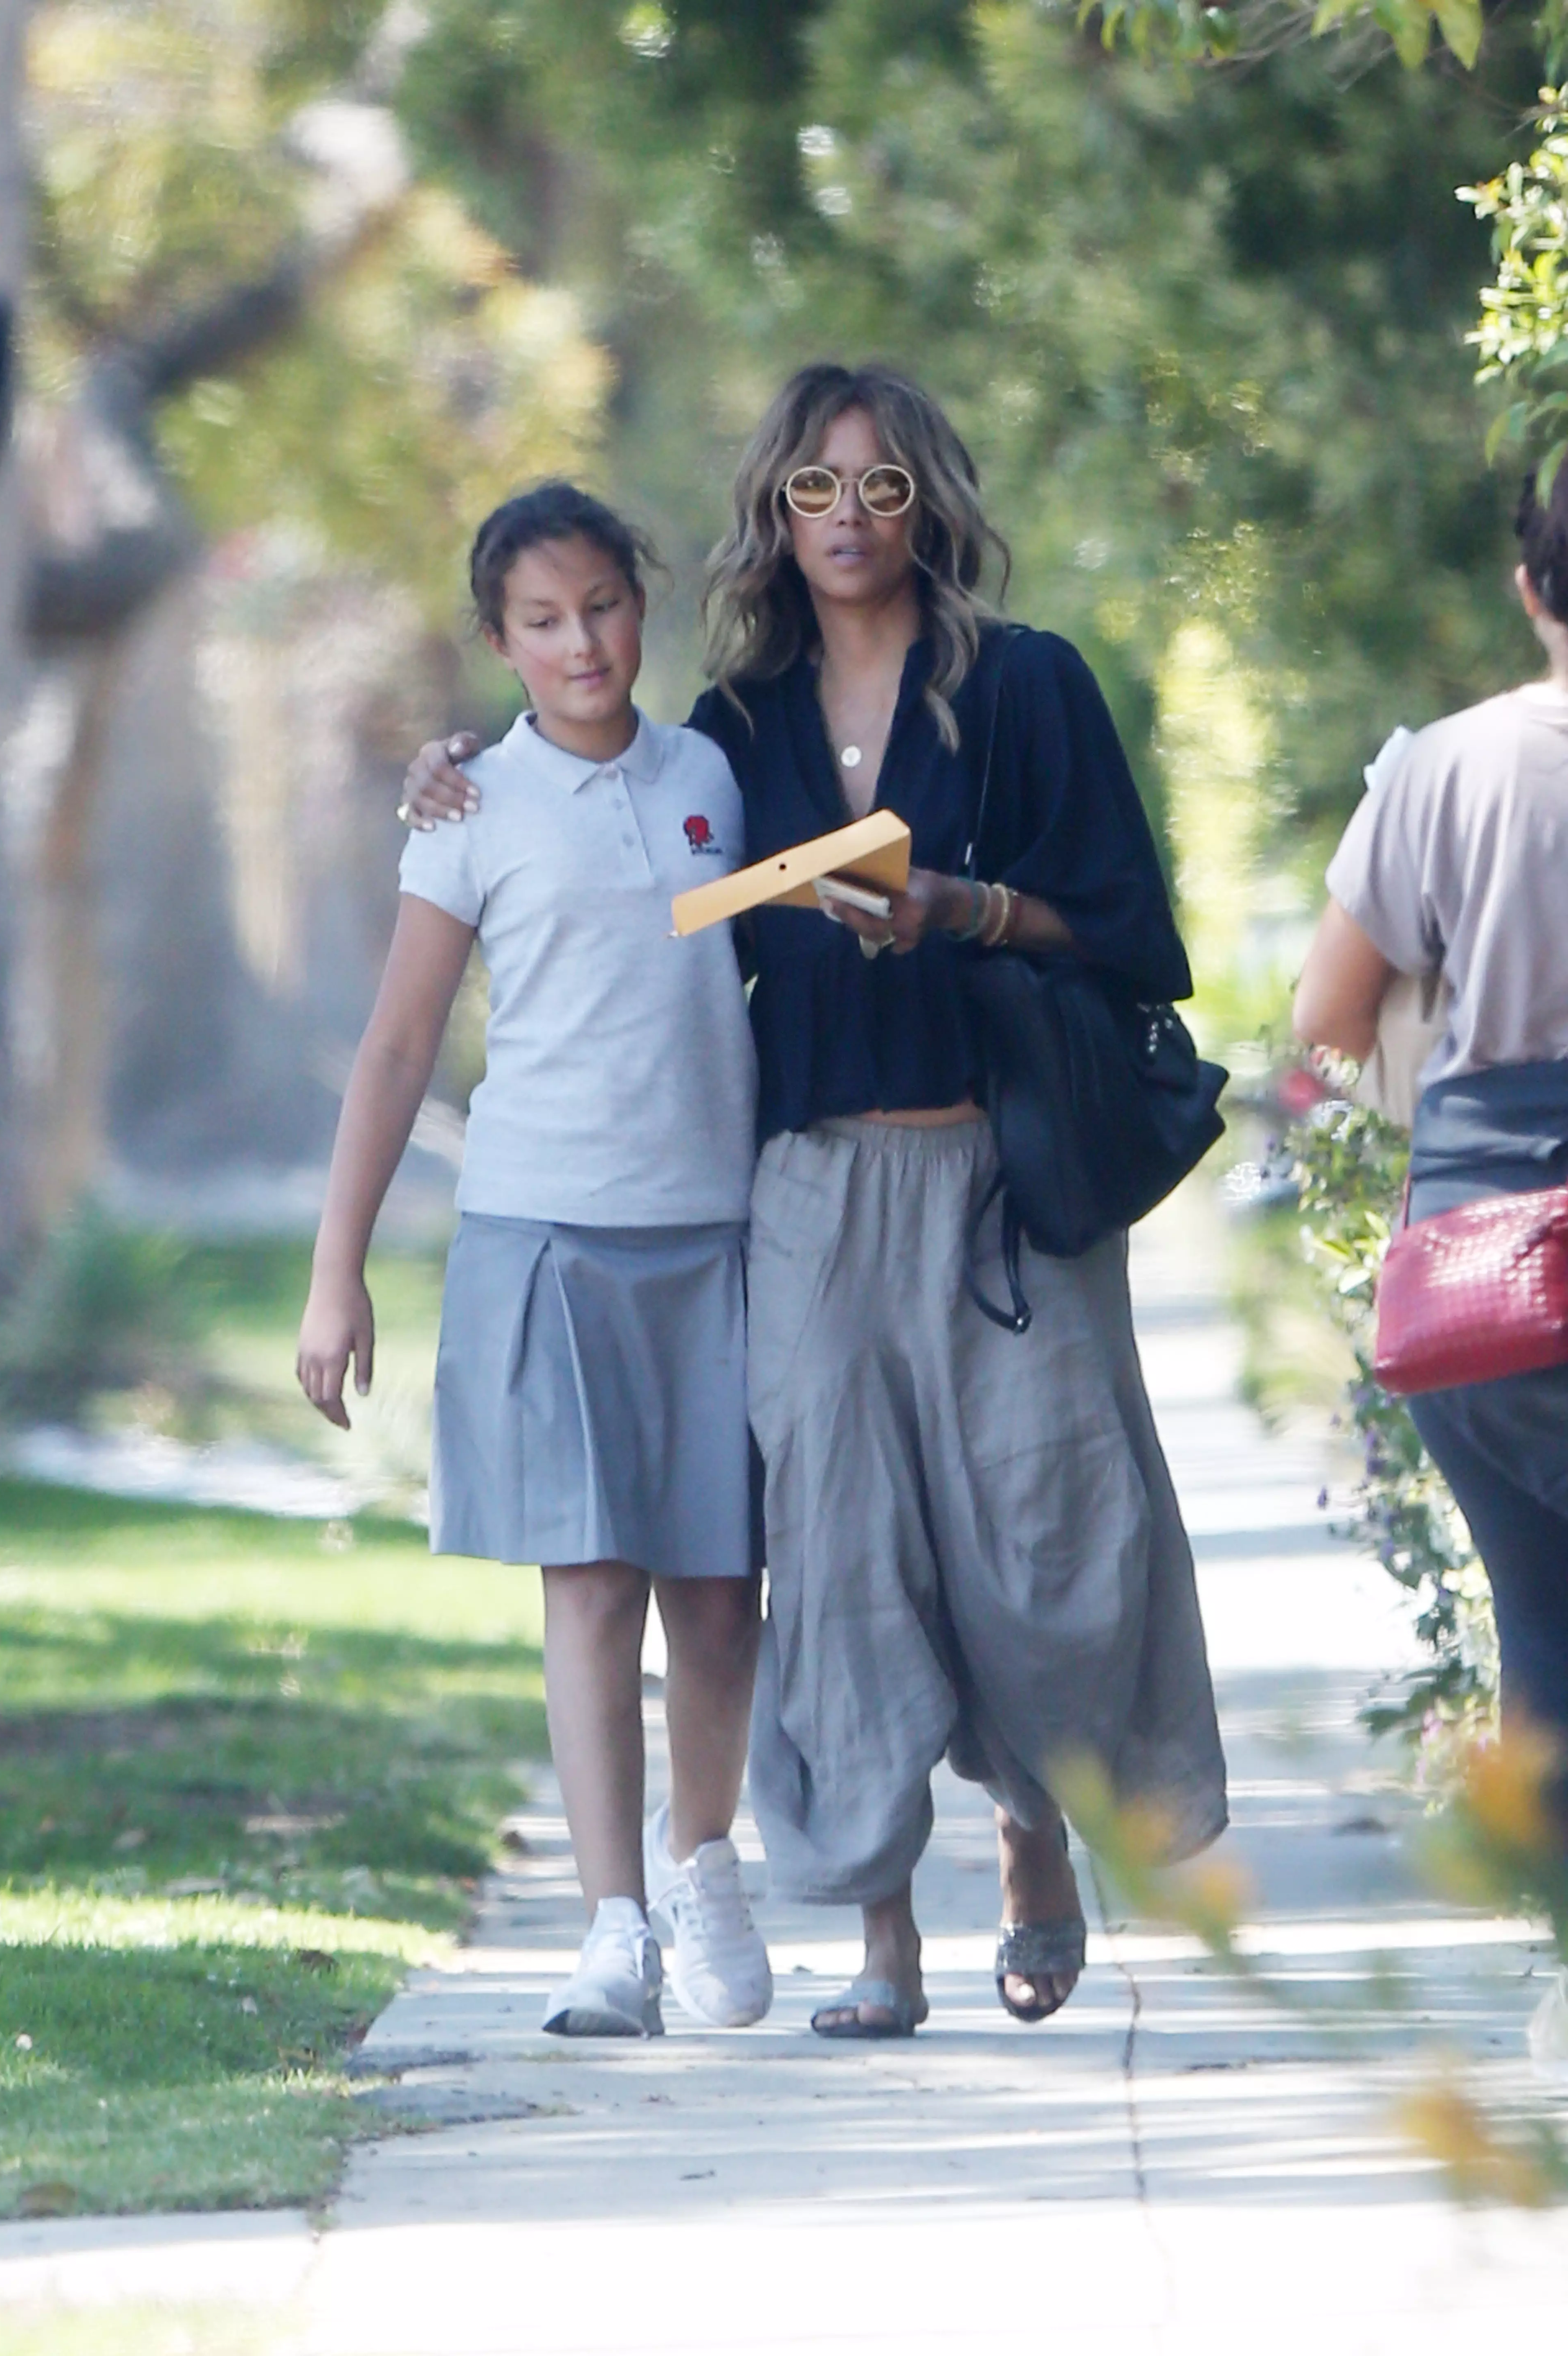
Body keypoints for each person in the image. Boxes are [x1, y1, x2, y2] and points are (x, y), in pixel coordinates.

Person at [403, 365, 1228, 2038]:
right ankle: (879, 1940)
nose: (847, 521)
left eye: (880, 490)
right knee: (843, 1559)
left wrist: (968, 909)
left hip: (1000, 1185)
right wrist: (451, 776)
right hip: (807, 1187)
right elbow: (598, 815)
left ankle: (1034, 1828)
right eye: (812, 492)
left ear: (931, 502)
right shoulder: (736, 730)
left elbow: (1134, 934)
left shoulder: (1032, 689)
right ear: (773, 513)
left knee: (1045, 1540)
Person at [298, 481, 773, 2038]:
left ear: (645, 604)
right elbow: (397, 1044)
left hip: (715, 1234)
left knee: (718, 1594)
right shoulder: (469, 808)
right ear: (500, 644)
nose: (584, 642)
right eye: (545, 622)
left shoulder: (713, 772)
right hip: (548, 1232)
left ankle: (705, 1876)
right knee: (592, 1587)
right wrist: (336, 1269)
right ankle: (610, 1930)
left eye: (605, 606)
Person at [1294, 468, 1568, 1795]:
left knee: (1543, 1642)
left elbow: (1325, 1022)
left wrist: (1445, 1087)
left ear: (1530, 590)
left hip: (1480, 1274)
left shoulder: (1443, 768)